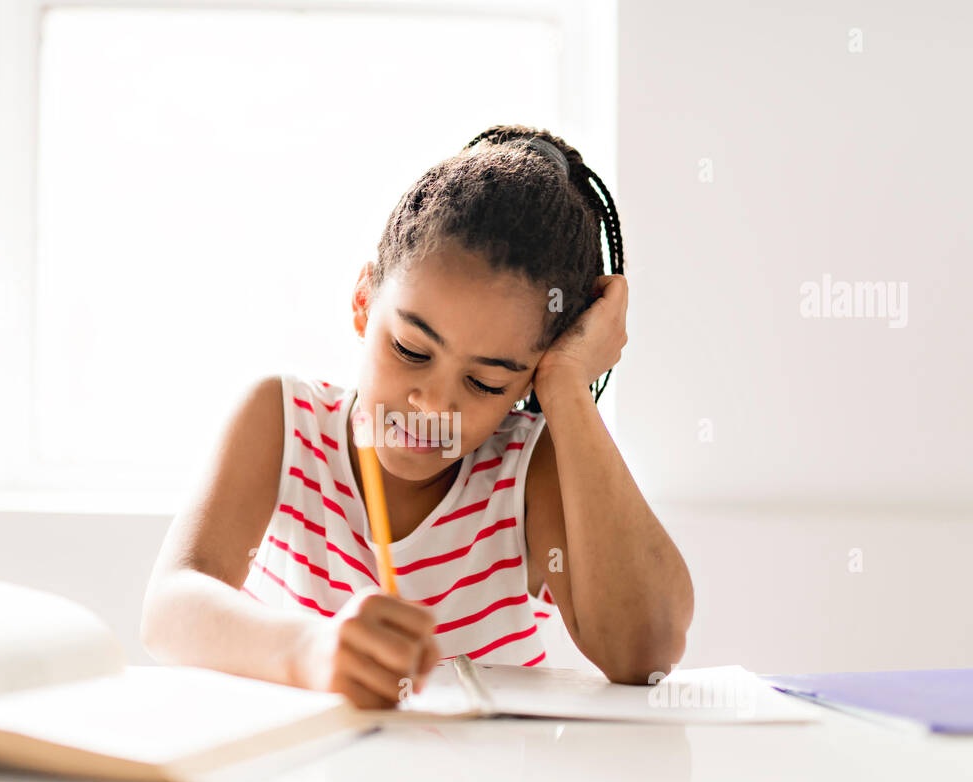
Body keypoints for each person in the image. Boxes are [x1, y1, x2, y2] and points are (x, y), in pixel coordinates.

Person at [141, 124, 693, 709]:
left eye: (486, 382)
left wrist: (567, 390)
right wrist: (311, 649)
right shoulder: (283, 424)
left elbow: (645, 654)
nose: (433, 405)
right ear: (363, 303)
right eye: (410, 349)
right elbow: (170, 609)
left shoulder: (530, 469)